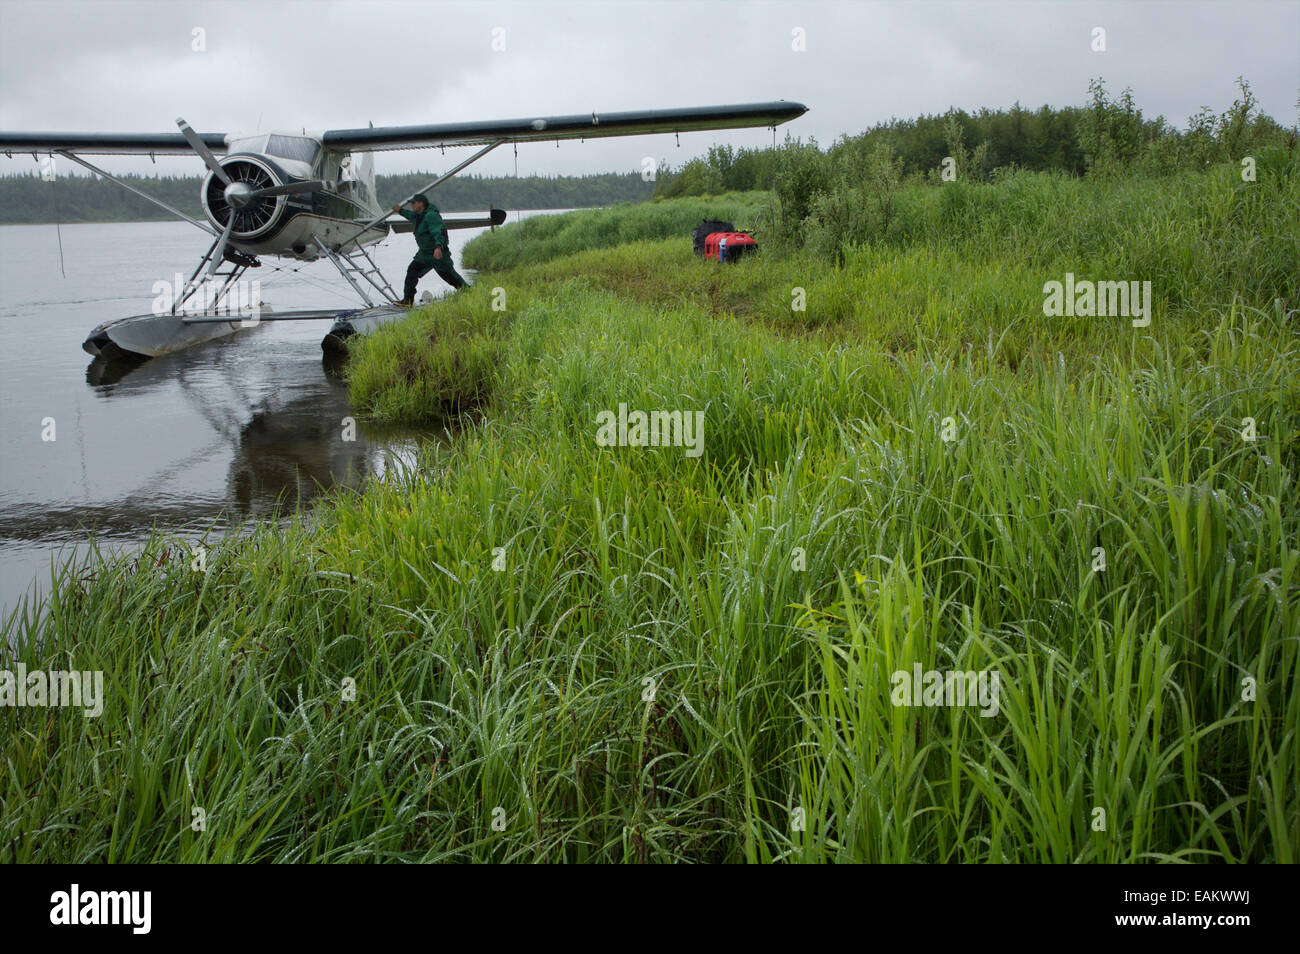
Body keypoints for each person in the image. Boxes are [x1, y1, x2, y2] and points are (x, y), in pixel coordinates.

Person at [393, 193, 467, 304]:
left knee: (450, 276)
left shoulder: (431, 216)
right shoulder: (419, 216)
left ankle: (469, 292)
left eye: (414, 203)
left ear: (421, 204)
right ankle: (407, 300)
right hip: (423, 255)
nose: (412, 205)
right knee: (412, 271)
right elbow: (410, 215)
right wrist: (400, 211)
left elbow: (439, 232)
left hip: (437, 253)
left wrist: (438, 247)